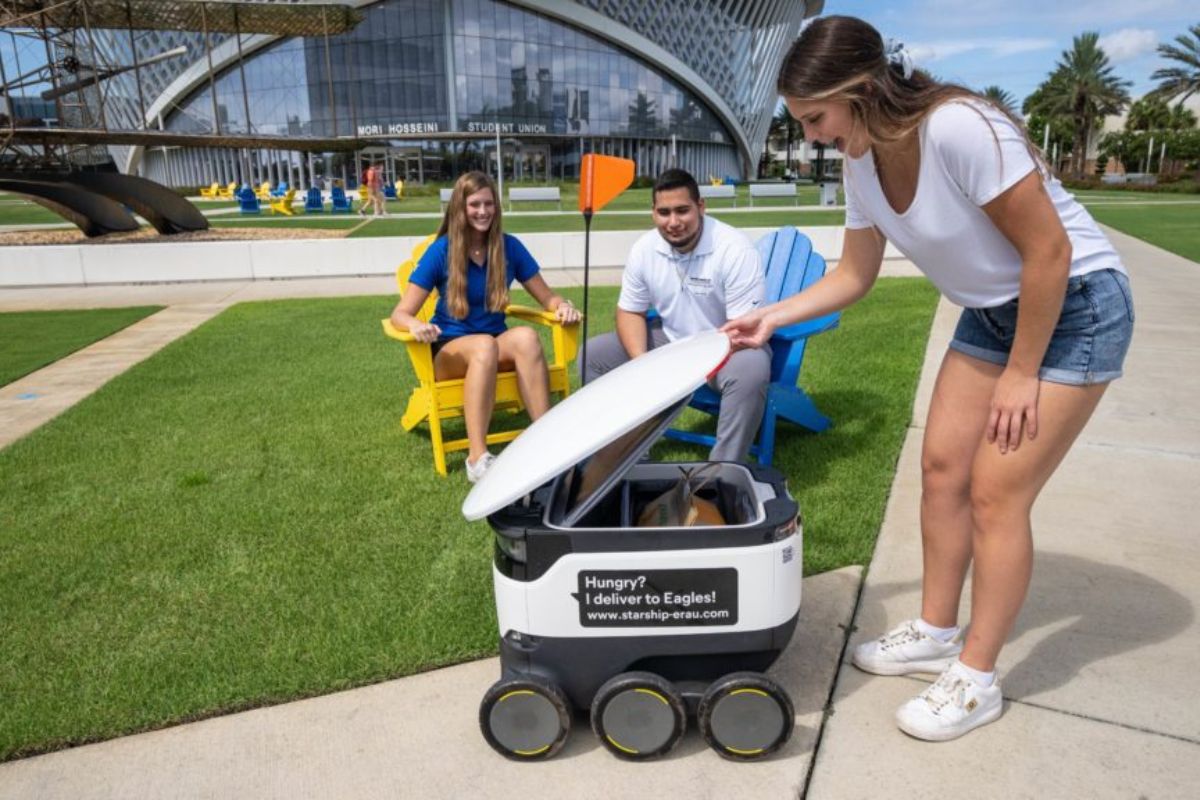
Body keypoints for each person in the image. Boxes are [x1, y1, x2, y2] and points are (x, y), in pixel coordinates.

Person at [724, 15, 1134, 742]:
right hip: (990, 315)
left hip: (1073, 309)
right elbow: (854, 275)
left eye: (816, 117)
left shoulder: (959, 129)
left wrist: (1022, 373)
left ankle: (977, 680)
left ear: (862, 89)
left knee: (995, 493)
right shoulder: (858, 161)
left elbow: (1050, 254)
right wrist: (770, 316)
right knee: (941, 468)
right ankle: (938, 631)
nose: (811, 134)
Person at [389, 171, 581, 482]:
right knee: (484, 344)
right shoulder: (441, 251)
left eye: (488, 204)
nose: (483, 211)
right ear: (460, 209)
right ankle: (477, 458)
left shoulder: (509, 248)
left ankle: (547, 443)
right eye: (474, 204)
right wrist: (414, 325)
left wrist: (563, 308)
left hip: (491, 344)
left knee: (527, 338)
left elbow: (547, 297)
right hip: (447, 352)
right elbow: (400, 313)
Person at [583, 168, 769, 462]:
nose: (673, 222)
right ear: (653, 213)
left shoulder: (734, 250)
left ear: (701, 207)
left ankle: (721, 471)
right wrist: (642, 362)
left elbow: (743, 330)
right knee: (591, 356)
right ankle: (627, 455)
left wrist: (695, 367)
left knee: (752, 368)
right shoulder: (644, 249)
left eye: (683, 210)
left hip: (727, 346)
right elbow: (630, 310)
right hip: (671, 340)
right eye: (664, 212)